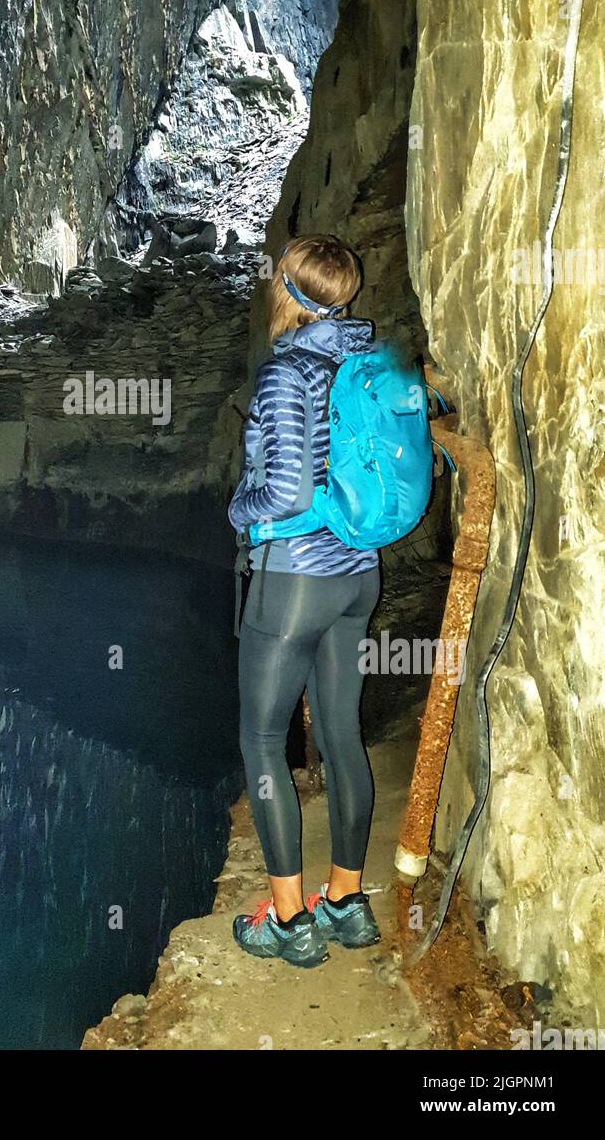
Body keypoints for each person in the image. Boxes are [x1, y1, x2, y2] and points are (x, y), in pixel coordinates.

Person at [228, 233, 382, 968]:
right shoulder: (364, 360)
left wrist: (238, 508)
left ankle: (288, 921)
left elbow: (284, 492)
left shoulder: (286, 372)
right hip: (359, 575)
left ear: (288, 290)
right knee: (341, 734)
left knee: (261, 741)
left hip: (294, 580)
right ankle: (345, 905)